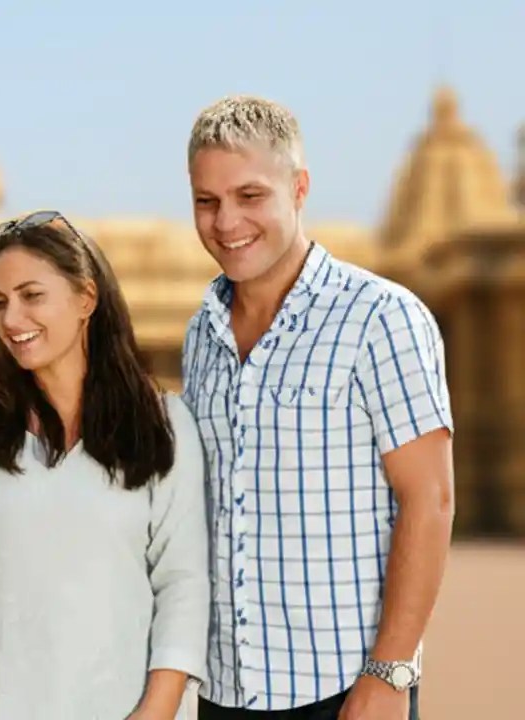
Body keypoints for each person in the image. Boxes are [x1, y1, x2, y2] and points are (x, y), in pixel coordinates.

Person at [180, 95, 455, 720]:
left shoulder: (382, 318)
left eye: (250, 196)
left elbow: (430, 500)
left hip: (343, 691)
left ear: (298, 188)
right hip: (225, 692)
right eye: (207, 201)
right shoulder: (202, 332)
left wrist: (389, 676)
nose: (226, 223)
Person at [0, 210, 211, 719]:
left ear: (86, 298)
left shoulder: (164, 425)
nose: (12, 320)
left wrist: (156, 712)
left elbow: (183, 582)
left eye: (32, 296)